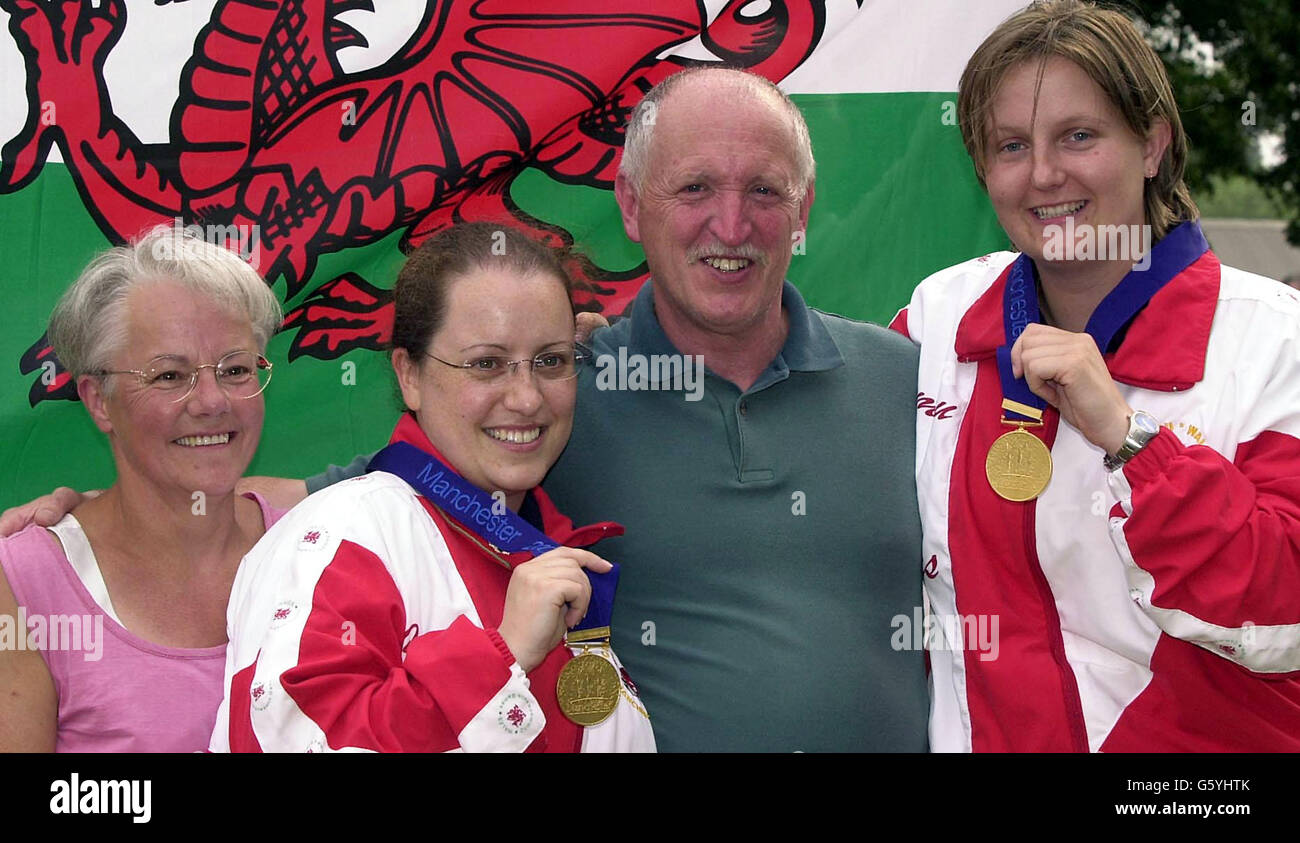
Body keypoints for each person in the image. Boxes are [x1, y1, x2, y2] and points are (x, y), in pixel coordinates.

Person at [306, 68, 929, 751]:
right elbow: (366, 496)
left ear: (804, 209)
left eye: (764, 190)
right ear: (630, 205)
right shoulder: (550, 404)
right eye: (695, 188)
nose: (731, 223)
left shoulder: (908, 382)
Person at [891, 0, 1300, 751]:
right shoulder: (937, 320)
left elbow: (1283, 622)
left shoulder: (1276, 337)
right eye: (1011, 146)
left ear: (1152, 144)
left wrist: (1132, 442)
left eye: (1078, 136)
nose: (1044, 174)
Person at [209, 223, 655, 752]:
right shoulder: (340, 537)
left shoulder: (547, 542)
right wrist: (499, 654)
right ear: (410, 375)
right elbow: (281, 740)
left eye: (550, 361)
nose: (528, 398)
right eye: (486, 364)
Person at [0, 226, 285, 752]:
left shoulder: (316, 544)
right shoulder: (23, 585)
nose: (211, 401)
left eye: (236, 369)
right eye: (169, 376)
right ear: (99, 401)